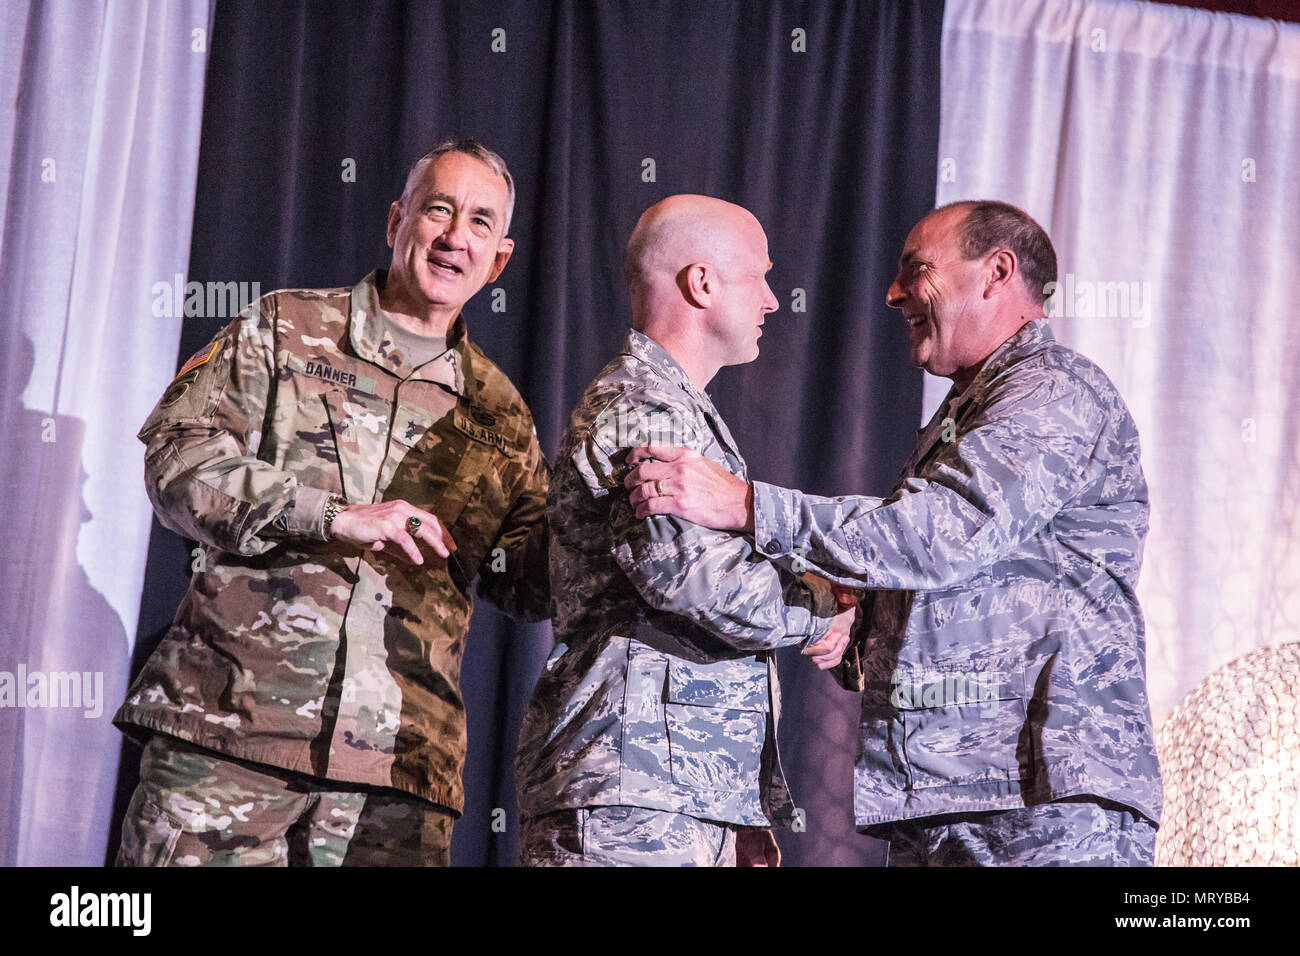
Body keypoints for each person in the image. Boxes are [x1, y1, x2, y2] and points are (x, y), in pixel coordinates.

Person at [624, 200, 1161, 866]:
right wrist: (862, 624)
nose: (892, 294)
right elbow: (958, 583)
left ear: (998, 272)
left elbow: (940, 534)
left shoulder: (1057, 389)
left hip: (1046, 805)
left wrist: (748, 505)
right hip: (948, 804)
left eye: (917, 269)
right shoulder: (966, 416)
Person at [114, 140, 549, 866]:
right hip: (231, 742)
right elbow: (178, 460)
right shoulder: (283, 328)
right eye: (437, 209)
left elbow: (527, 579)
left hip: (393, 783)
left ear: (498, 259)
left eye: (479, 222)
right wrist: (333, 514)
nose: (453, 237)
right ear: (395, 220)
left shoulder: (500, 414)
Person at [514, 195, 854, 867]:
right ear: (702, 283)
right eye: (759, 275)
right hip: (631, 796)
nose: (772, 300)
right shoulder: (642, 407)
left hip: (671, 795)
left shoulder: (675, 409)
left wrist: (734, 813)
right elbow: (696, 579)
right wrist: (827, 612)